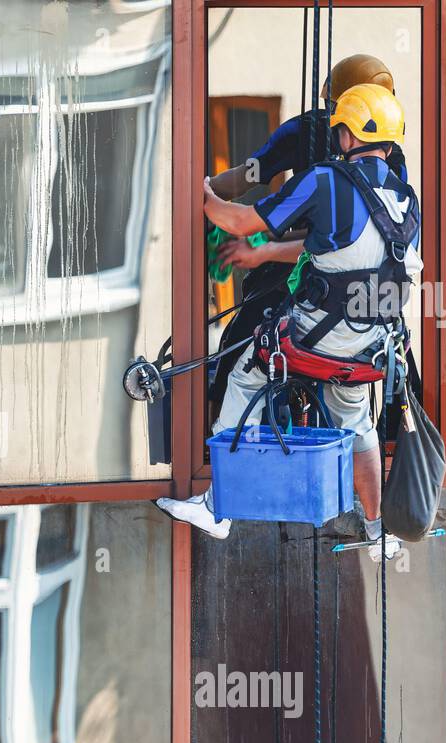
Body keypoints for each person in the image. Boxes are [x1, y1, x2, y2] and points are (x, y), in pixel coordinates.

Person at [157, 84, 422, 552]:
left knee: (245, 374)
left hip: (310, 340)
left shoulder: (326, 182)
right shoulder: (405, 201)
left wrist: (203, 196)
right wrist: (266, 256)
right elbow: (337, 252)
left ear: (344, 136)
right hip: (367, 348)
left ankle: (219, 506)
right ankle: (378, 532)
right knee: (358, 425)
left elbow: (241, 222)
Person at [206, 54, 406, 408]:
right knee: (384, 378)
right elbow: (253, 173)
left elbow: (251, 177)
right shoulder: (381, 156)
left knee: (241, 353)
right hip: (350, 291)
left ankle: (218, 430)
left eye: (335, 107)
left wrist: (210, 195)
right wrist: (216, 189)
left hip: (312, 272)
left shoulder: (358, 153)